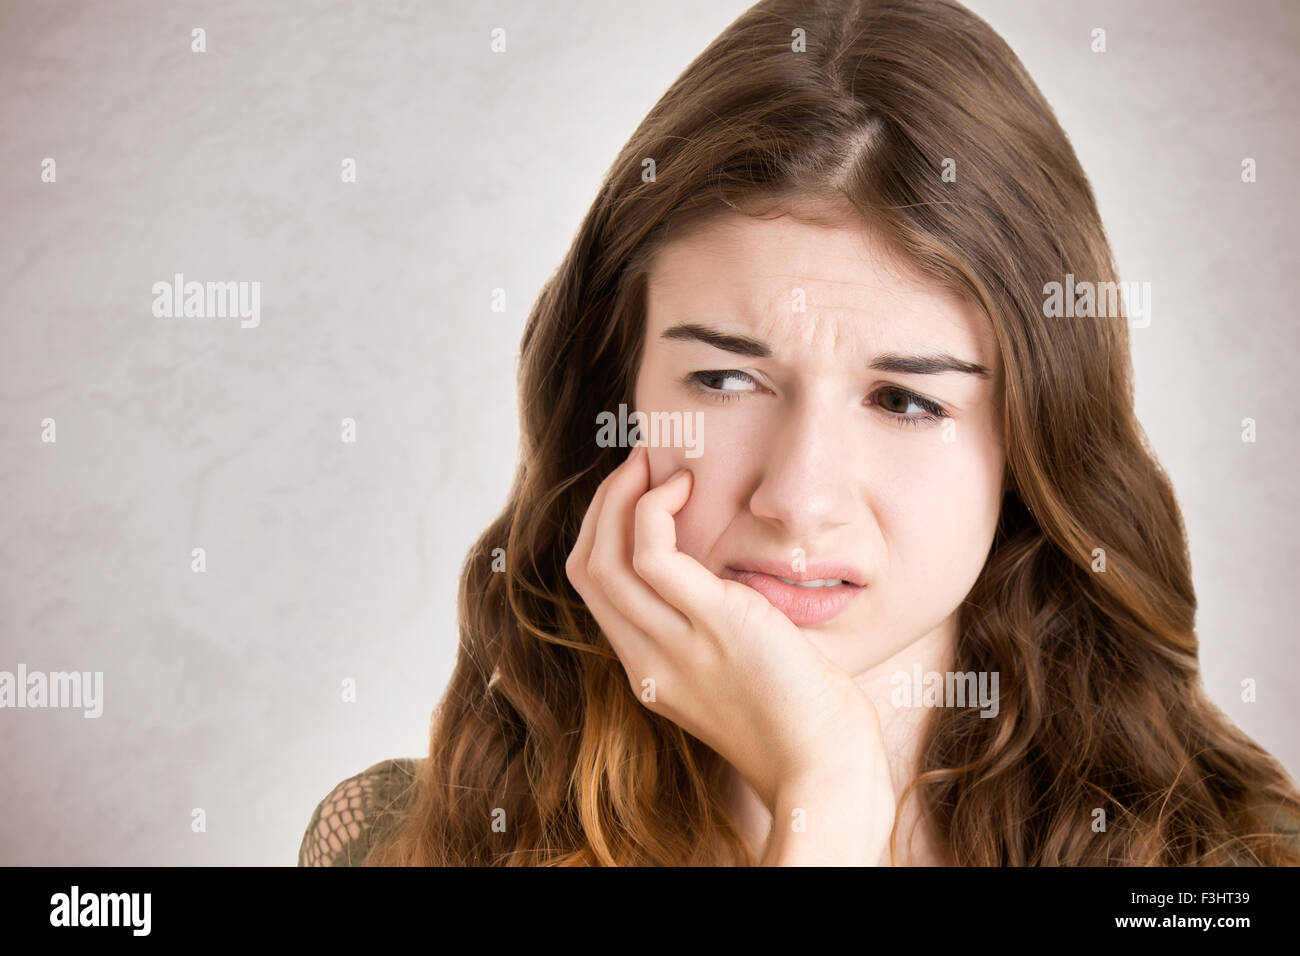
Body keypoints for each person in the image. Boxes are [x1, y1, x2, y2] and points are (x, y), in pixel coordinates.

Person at [299, 0, 1300, 866]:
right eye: (727, 378)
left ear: (1029, 442)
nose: (797, 494)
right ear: (618, 387)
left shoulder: (1225, 863)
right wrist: (826, 797)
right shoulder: (407, 837)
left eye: (906, 400)